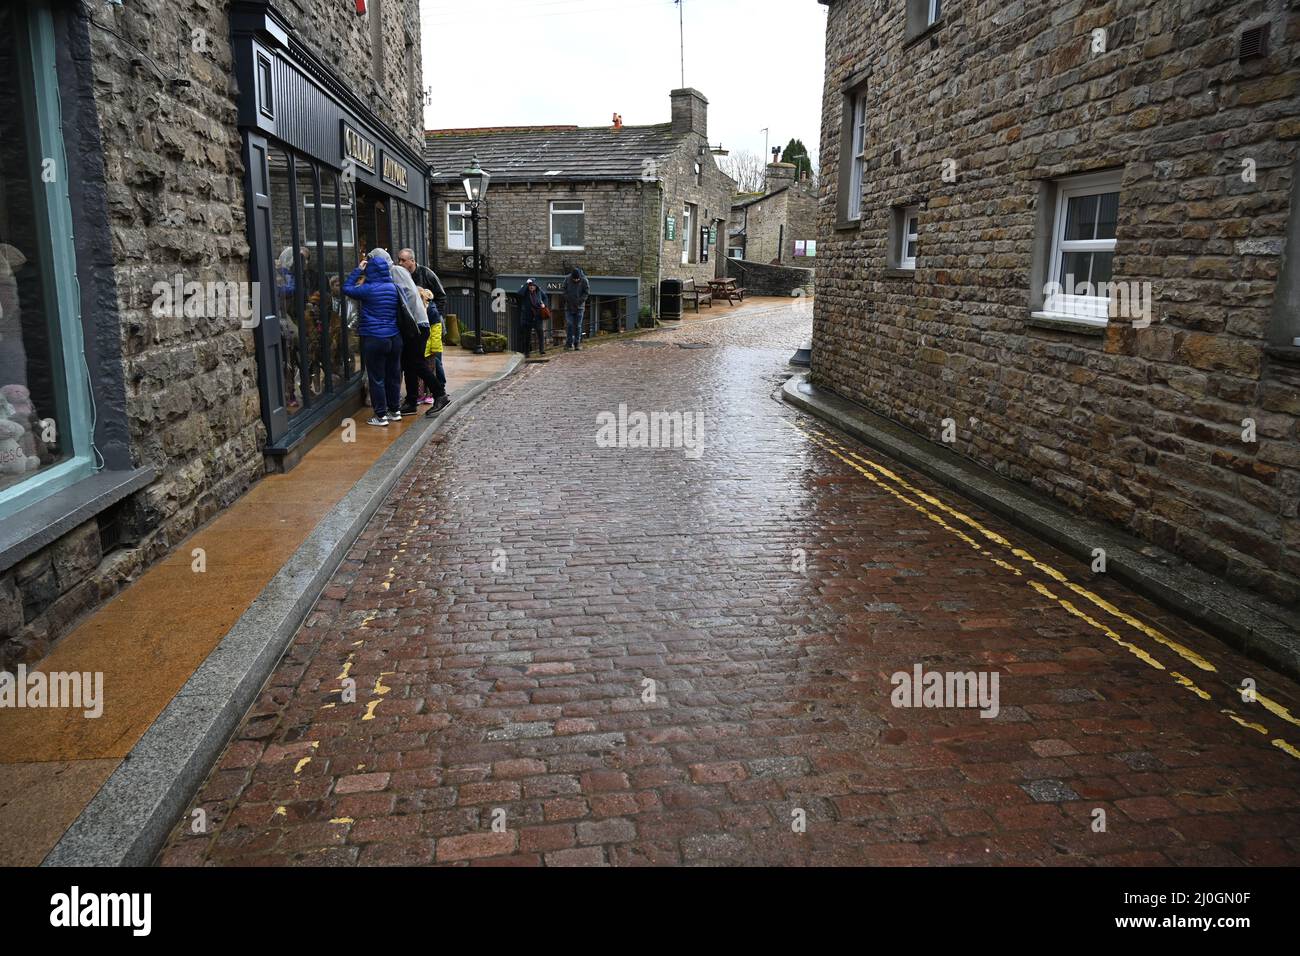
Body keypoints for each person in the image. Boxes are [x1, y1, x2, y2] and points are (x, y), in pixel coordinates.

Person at [342, 248, 403, 426]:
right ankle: (395, 411)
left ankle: (381, 416)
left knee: (377, 378)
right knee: (393, 375)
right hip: (394, 338)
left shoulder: (367, 289)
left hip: (374, 338)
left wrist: (358, 270)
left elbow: (347, 288)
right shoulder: (394, 287)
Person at [390, 260, 447, 414]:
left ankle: (440, 395)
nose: (400, 262)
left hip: (416, 327)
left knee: (417, 363)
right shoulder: (398, 273)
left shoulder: (394, 272)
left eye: (403, 259)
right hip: (414, 326)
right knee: (409, 365)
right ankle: (411, 401)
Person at [419, 287, 450, 417]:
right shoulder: (423, 309)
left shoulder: (431, 310)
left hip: (430, 348)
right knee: (423, 372)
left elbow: (436, 331)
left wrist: (435, 348)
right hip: (423, 347)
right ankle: (422, 394)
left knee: (433, 368)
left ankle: (437, 391)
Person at [397, 248, 448, 313]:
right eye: (399, 260)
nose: (400, 263)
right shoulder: (399, 275)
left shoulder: (427, 274)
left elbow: (441, 297)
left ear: (412, 261)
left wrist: (433, 314)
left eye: (403, 260)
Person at [562, 266, 590, 351]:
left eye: (577, 279)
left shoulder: (584, 280)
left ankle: (577, 343)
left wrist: (580, 301)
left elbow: (586, 292)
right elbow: (564, 290)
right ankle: (569, 343)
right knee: (570, 324)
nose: (576, 280)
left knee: (578, 326)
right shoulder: (567, 279)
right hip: (569, 306)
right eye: (574, 279)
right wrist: (568, 298)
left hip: (579, 307)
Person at [518, 278, 547, 357]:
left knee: (540, 333)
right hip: (527, 317)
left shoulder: (539, 292)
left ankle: (542, 350)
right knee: (527, 336)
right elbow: (519, 293)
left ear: (535, 286)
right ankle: (527, 352)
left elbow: (545, 297)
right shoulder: (525, 292)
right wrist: (526, 284)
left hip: (537, 316)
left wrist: (543, 304)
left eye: (533, 286)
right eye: (530, 286)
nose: (531, 287)